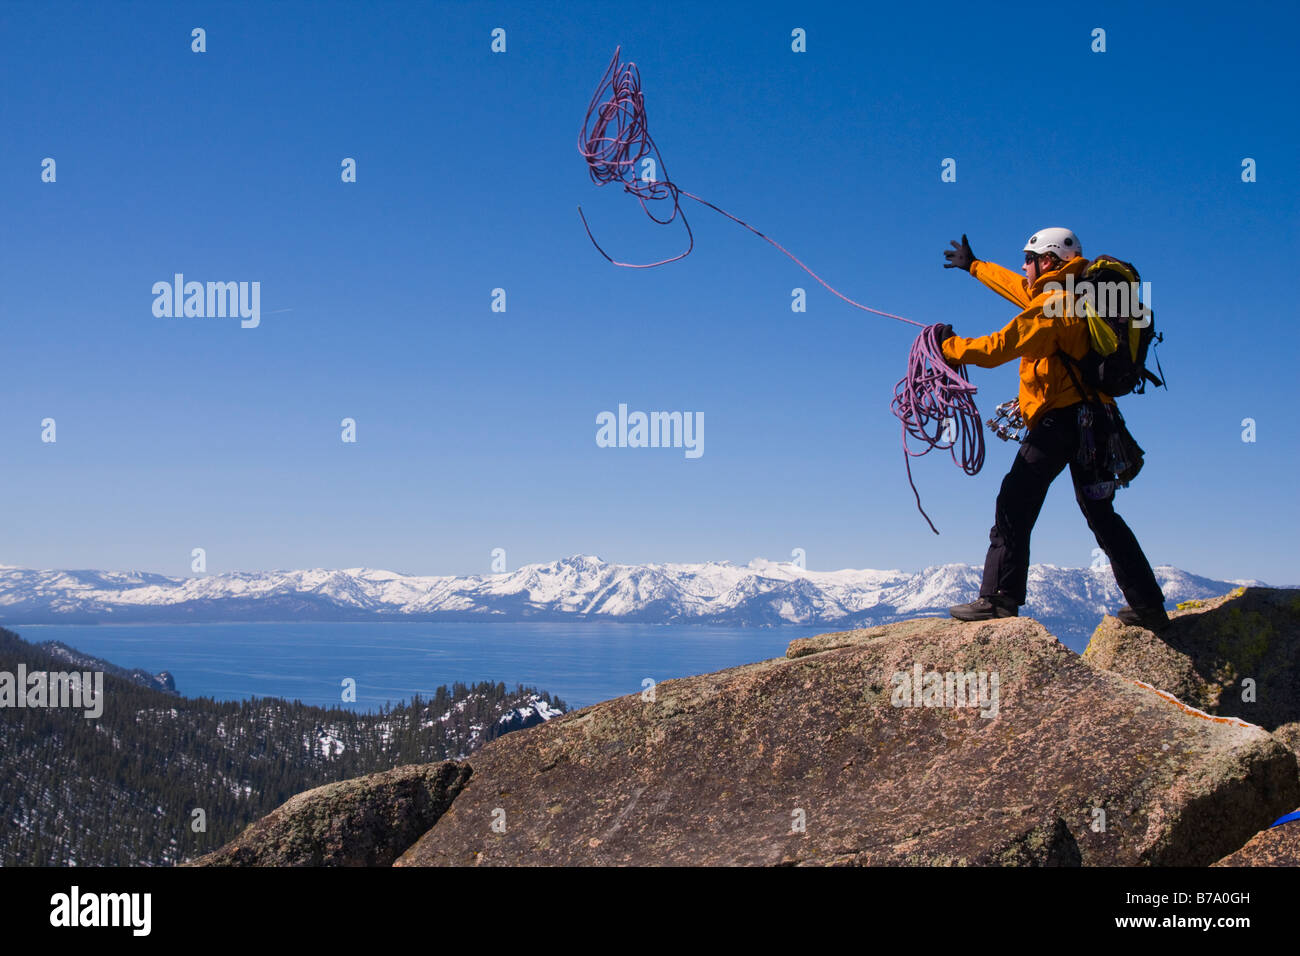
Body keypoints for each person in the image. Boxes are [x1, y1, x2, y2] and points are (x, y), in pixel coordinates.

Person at [938, 228, 1171, 632]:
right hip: (1098, 425)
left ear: (1047, 261)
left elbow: (1000, 347)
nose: (1023, 267)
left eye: (1029, 259)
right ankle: (1149, 605)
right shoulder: (1077, 296)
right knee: (1102, 514)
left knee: (1014, 504)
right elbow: (1018, 288)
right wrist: (975, 266)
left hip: (1060, 422)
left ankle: (998, 599)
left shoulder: (1054, 304)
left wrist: (949, 348)